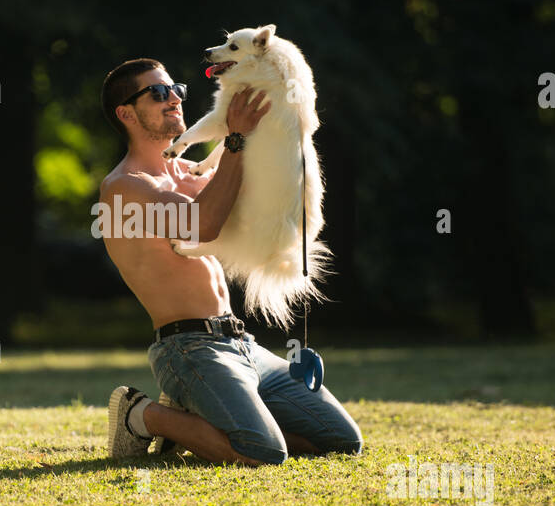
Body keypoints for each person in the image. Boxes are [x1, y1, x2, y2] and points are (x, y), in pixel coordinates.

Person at [97, 57, 363, 465]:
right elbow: (203, 224)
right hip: (188, 349)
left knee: (341, 441)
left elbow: (262, 192)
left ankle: (200, 417)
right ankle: (142, 415)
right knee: (262, 453)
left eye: (176, 90)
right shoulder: (123, 188)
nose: (174, 99)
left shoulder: (191, 172)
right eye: (158, 92)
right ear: (125, 113)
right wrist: (236, 138)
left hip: (243, 343)